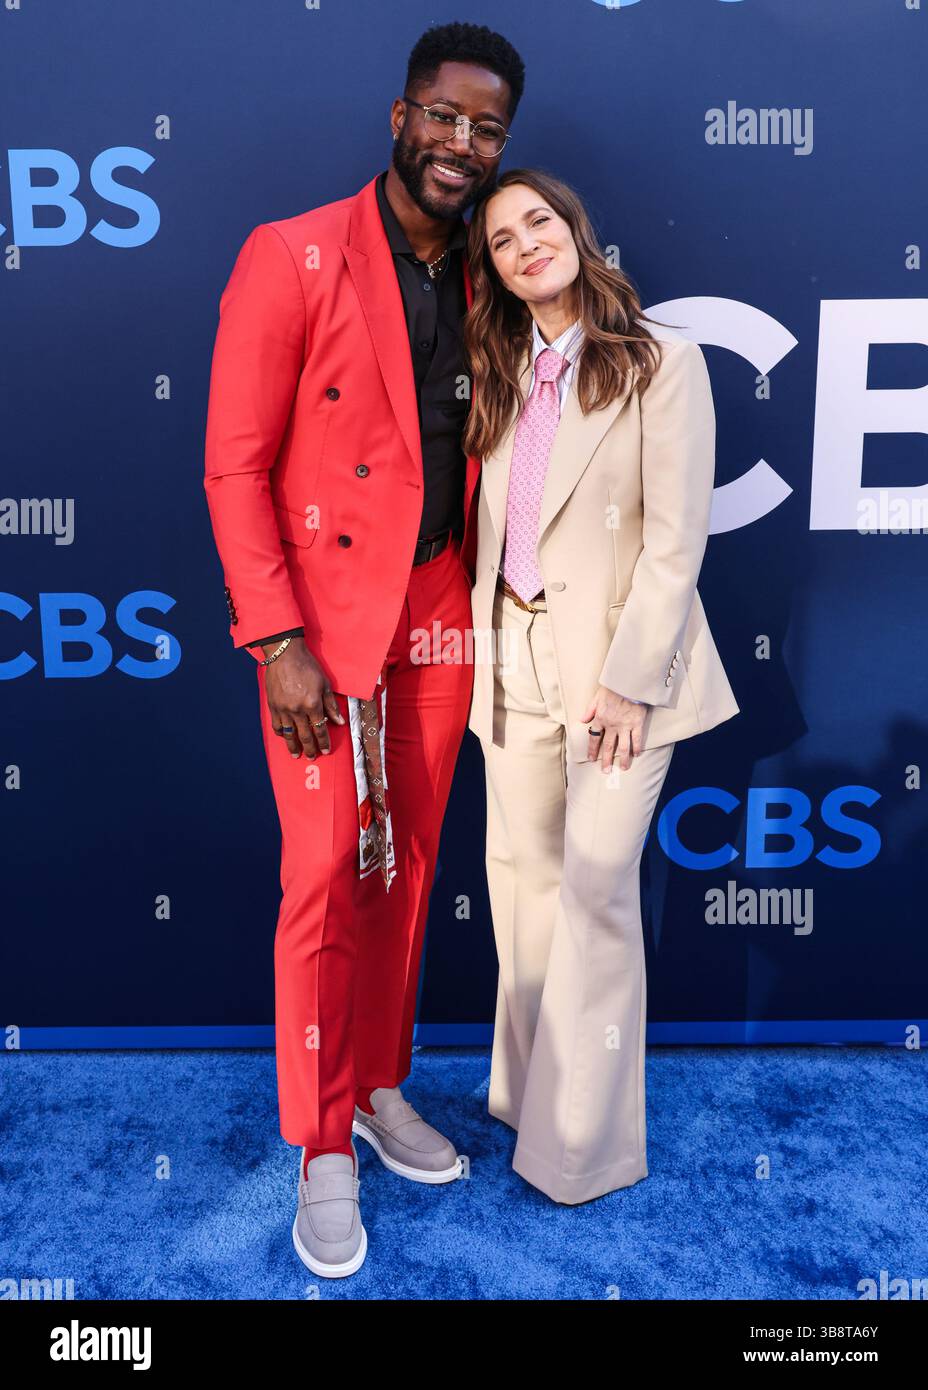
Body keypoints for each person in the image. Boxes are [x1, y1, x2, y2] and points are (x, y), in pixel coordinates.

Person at [203, 23, 526, 1276]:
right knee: (326, 865)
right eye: (443, 118)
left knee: (409, 862)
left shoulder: (494, 265)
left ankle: (382, 1082)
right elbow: (234, 463)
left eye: (486, 128)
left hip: (440, 605)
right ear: (401, 117)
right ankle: (319, 1137)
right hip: (322, 622)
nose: (461, 145)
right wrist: (274, 634)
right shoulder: (292, 254)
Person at [464, 168, 740, 1205]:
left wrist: (630, 683)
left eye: (539, 221)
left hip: (619, 671)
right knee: (521, 885)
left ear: (577, 233)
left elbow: (676, 543)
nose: (525, 243)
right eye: (500, 239)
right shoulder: (498, 367)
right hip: (513, 661)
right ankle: (526, 1097)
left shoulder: (658, 360)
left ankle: (580, 1150)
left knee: (591, 891)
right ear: (491, 270)